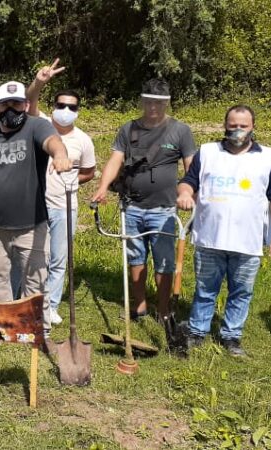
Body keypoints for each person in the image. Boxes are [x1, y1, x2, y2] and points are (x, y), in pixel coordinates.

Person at [0, 80, 72, 335]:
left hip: (31, 223)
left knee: (36, 277)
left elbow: (53, 142)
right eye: (6, 104)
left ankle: (35, 326)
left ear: (26, 104)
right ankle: (5, 325)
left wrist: (60, 155)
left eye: (17, 103)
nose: (12, 109)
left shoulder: (36, 126)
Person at [177, 105, 271, 357]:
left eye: (243, 126)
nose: (237, 130)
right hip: (209, 237)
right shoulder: (207, 152)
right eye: (233, 125)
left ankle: (231, 337)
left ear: (253, 127)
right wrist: (184, 193)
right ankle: (197, 332)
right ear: (225, 125)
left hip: (247, 241)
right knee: (205, 289)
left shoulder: (267, 157)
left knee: (241, 292)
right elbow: (189, 182)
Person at [90, 79, 196, 324]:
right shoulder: (128, 130)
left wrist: (189, 195)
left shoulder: (180, 131)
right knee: (135, 257)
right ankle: (139, 306)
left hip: (165, 210)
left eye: (158, 103)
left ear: (166, 103)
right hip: (132, 208)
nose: (152, 107)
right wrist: (103, 188)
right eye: (148, 101)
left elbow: (191, 169)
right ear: (141, 101)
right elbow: (115, 160)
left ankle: (163, 309)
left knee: (165, 261)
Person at [26, 59, 96, 325]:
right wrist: (39, 82)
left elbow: (89, 171)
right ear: (53, 107)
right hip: (35, 203)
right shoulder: (40, 124)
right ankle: (29, 301)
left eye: (71, 107)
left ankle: (51, 305)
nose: (65, 110)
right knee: (34, 257)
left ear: (77, 111)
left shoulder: (83, 140)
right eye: (61, 105)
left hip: (65, 206)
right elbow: (30, 101)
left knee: (58, 259)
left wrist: (72, 180)